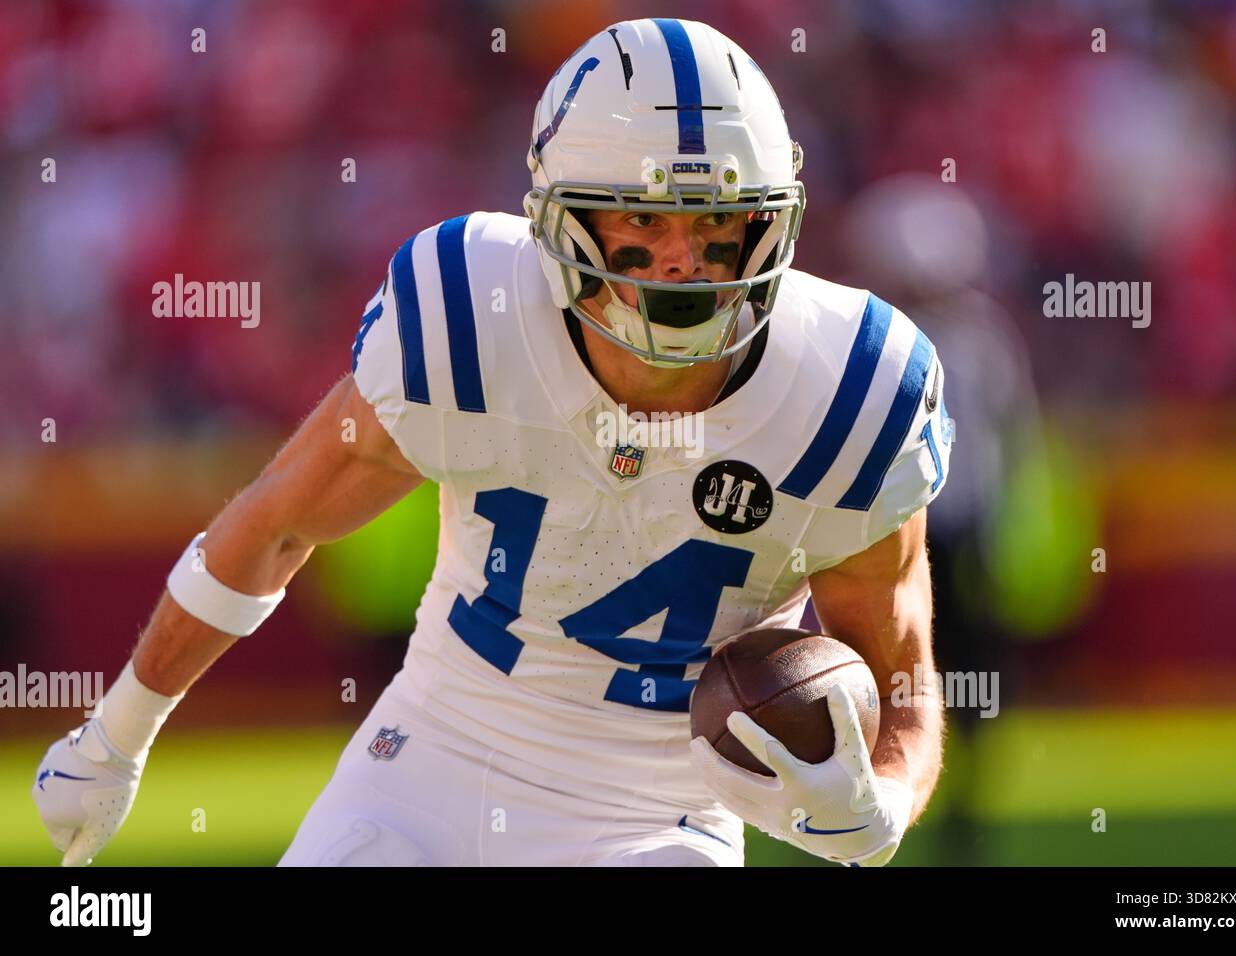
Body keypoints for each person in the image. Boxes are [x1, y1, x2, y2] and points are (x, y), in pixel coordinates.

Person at [33, 17, 953, 867]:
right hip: (431, 757)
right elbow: (275, 527)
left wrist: (883, 806)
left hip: (657, 812)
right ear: (562, 223)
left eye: (717, 222)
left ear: (771, 218)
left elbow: (902, 665)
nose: (684, 262)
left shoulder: (851, 389)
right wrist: (115, 735)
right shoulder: (471, 318)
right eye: (643, 220)